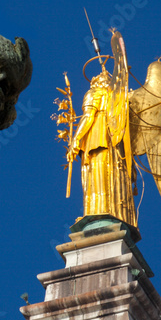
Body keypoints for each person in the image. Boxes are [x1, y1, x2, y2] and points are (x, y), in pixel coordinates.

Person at [66, 67, 137, 227]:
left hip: (97, 138)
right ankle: (115, 211)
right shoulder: (118, 100)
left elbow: (88, 116)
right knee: (114, 174)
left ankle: (96, 211)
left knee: (96, 174)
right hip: (116, 142)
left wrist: (75, 141)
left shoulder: (94, 93)